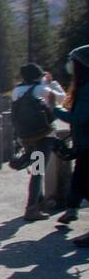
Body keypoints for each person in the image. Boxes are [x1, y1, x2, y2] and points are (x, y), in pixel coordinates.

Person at [9, 61, 64, 220]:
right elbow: (62, 99)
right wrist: (53, 83)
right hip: (43, 136)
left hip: (27, 137)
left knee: (35, 169)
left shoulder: (17, 90)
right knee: (38, 172)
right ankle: (31, 208)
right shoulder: (40, 89)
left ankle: (38, 203)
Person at [53, 46, 89, 246]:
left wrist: (54, 108)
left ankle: (69, 209)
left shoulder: (87, 88)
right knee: (80, 179)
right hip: (84, 143)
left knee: (83, 182)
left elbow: (79, 116)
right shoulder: (84, 87)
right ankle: (71, 209)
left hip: (86, 143)